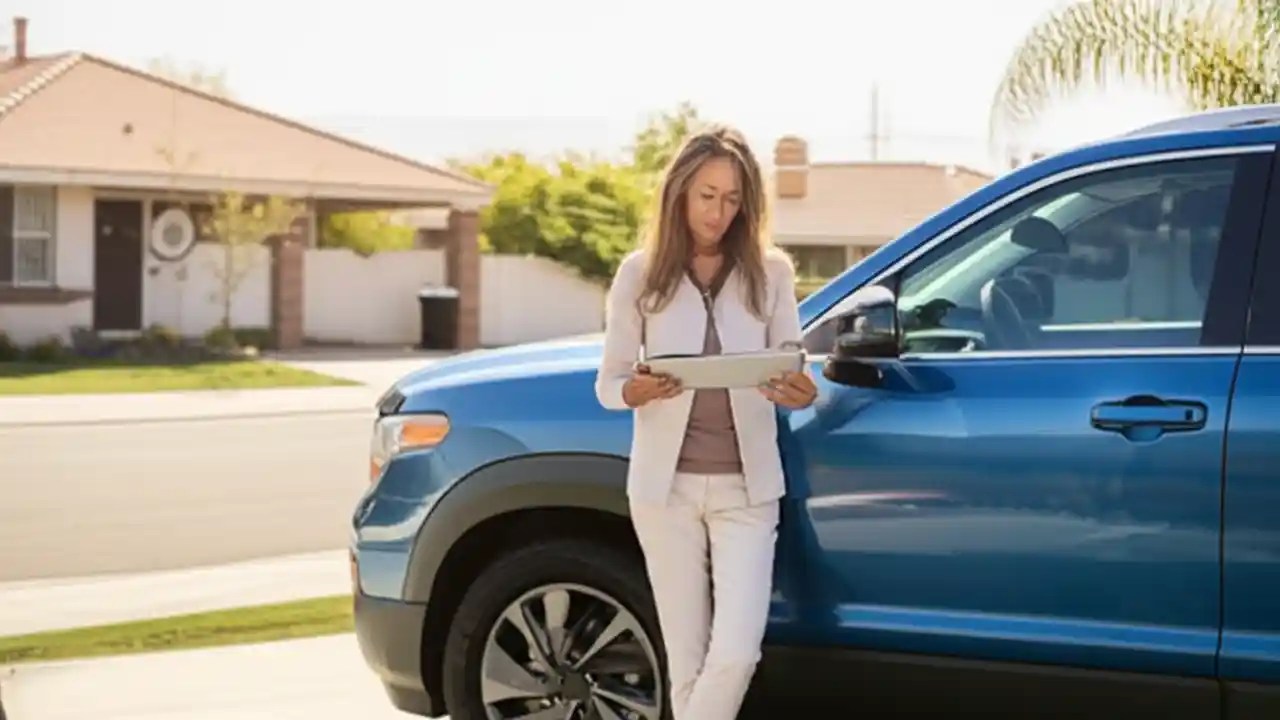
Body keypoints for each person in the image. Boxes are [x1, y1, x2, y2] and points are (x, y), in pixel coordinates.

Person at [594, 124, 818, 720]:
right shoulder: (640, 275)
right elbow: (608, 384)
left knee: (737, 654)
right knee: (685, 662)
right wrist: (634, 390)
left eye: (733, 198)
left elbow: (793, 360)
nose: (720, 212)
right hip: (664, 493)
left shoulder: (771, 273)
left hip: (748, 490)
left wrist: (799, 390)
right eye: (708, 195)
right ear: (680, 195)